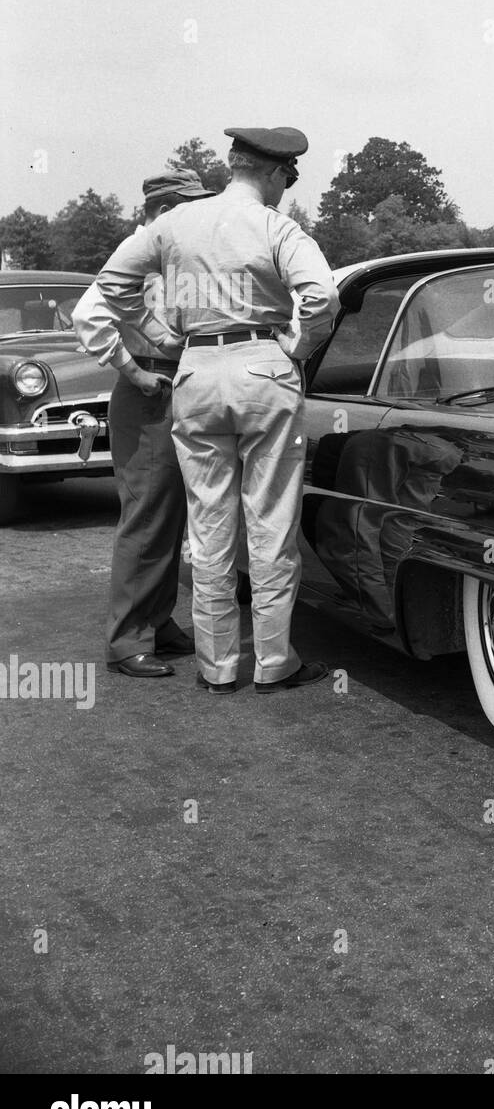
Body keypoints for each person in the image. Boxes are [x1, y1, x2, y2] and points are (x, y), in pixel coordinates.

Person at [95, 126, 339, 694]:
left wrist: (162, 334)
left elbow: (113, 283)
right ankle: (274, 664)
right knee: (271, 525)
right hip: (263, 368)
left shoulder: (175, 223)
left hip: (195, 372)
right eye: (287, 177)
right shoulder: (277, 226)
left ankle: (218, 666)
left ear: (232, 163)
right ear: (277, 174)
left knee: (208, 528)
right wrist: (296, 347)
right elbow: (321, 296)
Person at [73, 168, 214, 678]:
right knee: (146, 515)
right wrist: (132, 371)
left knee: (170, 515)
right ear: (160, 209)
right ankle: (127, 638)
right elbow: (89, 314)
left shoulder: (168, 254)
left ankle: (156, 621)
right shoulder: (137, 250)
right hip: (149, 387)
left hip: (175, 384)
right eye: (184, 207)